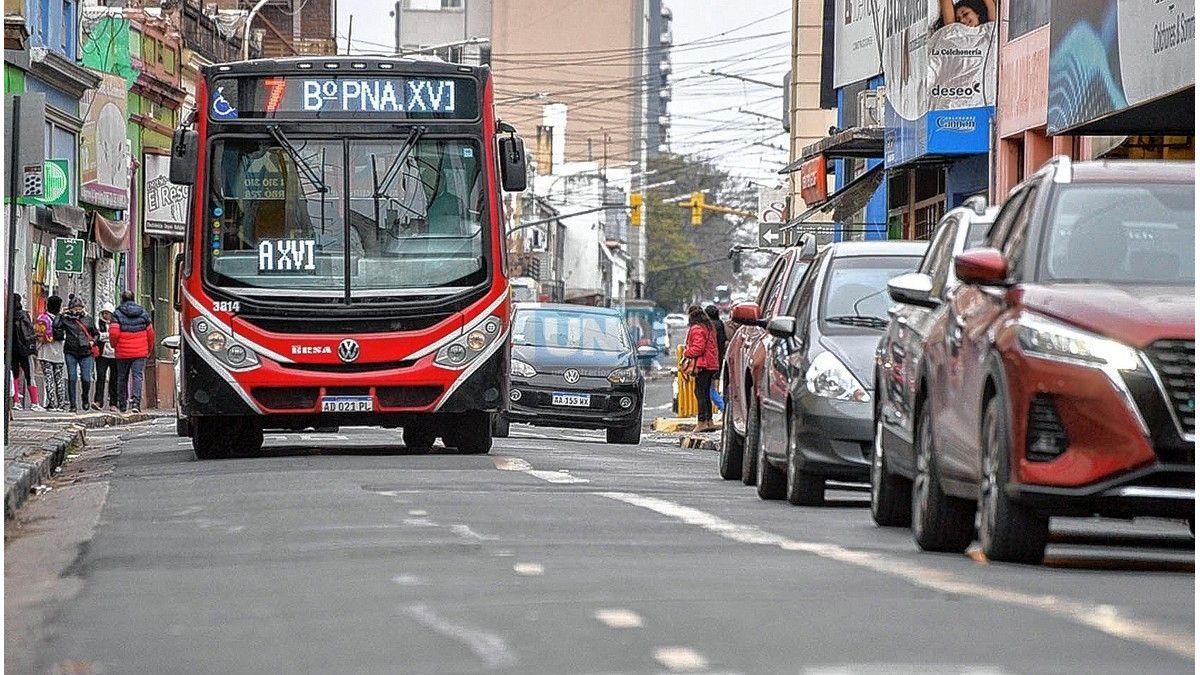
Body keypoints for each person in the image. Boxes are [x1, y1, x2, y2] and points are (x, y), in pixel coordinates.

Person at [110, 291, 155, 414]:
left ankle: (122, 404)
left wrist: (115, 346)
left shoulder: (117, 314)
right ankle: (136, 403)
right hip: (140, 352)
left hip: (122, 351)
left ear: (121, 299)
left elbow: (114, 333)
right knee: (137, 377)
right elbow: (150, 334)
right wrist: (148, 349)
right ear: (134, 299)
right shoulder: (143, 313)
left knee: (122, 378)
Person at [56, 295, 99, 413]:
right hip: (71, 351)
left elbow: (96, 333)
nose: (77, 310)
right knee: (72, 377)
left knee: (86, 378)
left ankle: (85, 397)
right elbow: (55, 326)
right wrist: (60, 314)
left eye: (79, 308)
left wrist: (92, 341)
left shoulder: (88, 319)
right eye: (75, 308)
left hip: (86, 352)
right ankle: (73, 404)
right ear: (71, 308)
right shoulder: (66, 319)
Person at [683, 305, 720, 433]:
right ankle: (709, 421)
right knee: (706, 393)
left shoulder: (697, 328)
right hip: (711, 364)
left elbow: (698, 348)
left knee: (700, 393)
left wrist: (687, 353)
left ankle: (702, 422)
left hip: (703, 365)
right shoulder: (709, 327)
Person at [35, 294, 66, 411]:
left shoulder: (43, 318)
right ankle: (61, 403)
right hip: (59, 352)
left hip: (46, 351)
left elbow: (39, 336)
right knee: (59, 378)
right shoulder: (62, 319)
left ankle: (51, 403)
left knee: (49, 378)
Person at [10, 293, 41, 411]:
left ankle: (16, 401)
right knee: (30, 375)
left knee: (14, 374)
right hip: (24, 349)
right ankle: (34, 402)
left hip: (12, 349)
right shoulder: (23, 315)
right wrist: (32, 346)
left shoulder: (8, 315)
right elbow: (27, 333)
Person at [93, 301, 119, 411]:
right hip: (102, 354)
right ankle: (98, 401)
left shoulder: (117, 323)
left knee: (114, 379)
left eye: (107, 313)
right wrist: (109, 336)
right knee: (101, 377)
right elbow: (98, 336)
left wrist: (106, 336)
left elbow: (117, 336)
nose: (105, 315)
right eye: (103, 313)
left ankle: (113, 403)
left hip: (115, 354)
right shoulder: (98, 323)